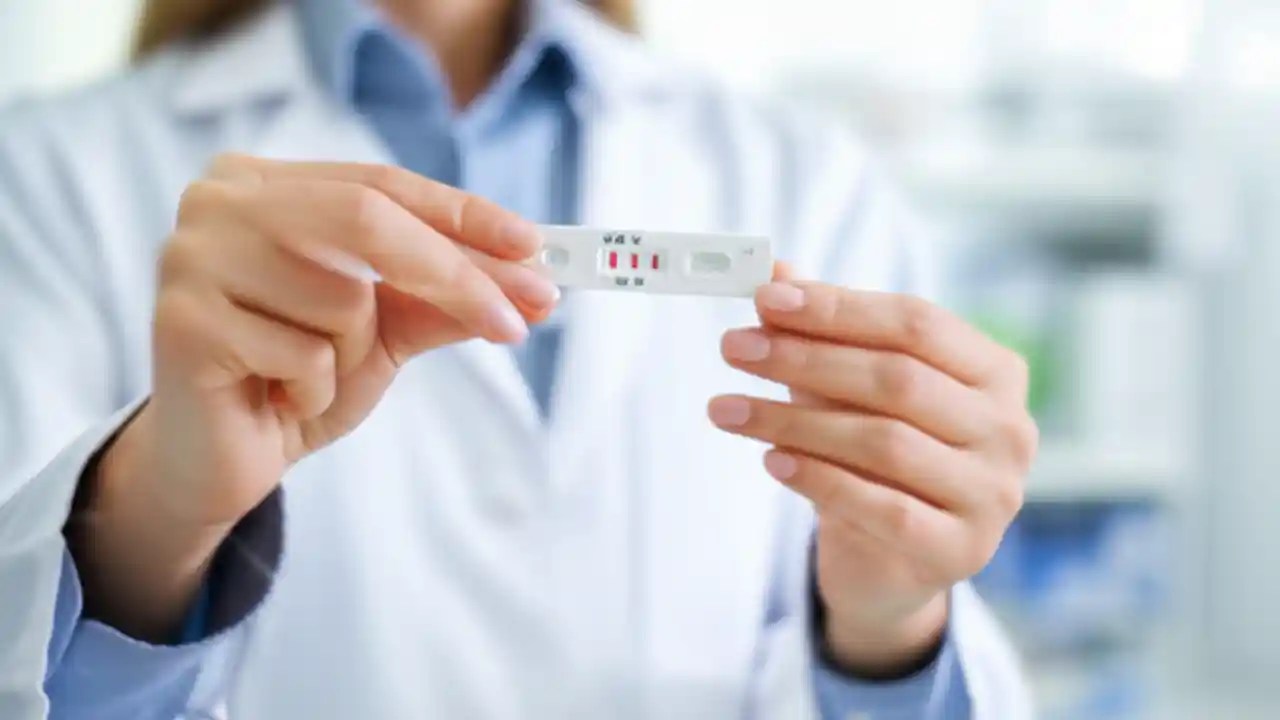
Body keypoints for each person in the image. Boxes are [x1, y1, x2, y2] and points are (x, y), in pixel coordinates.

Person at [0, 0, 1037, 717]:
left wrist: (888, 622)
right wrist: (155, 512)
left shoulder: (804, 178)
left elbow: (880, 662)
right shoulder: (45, 180)